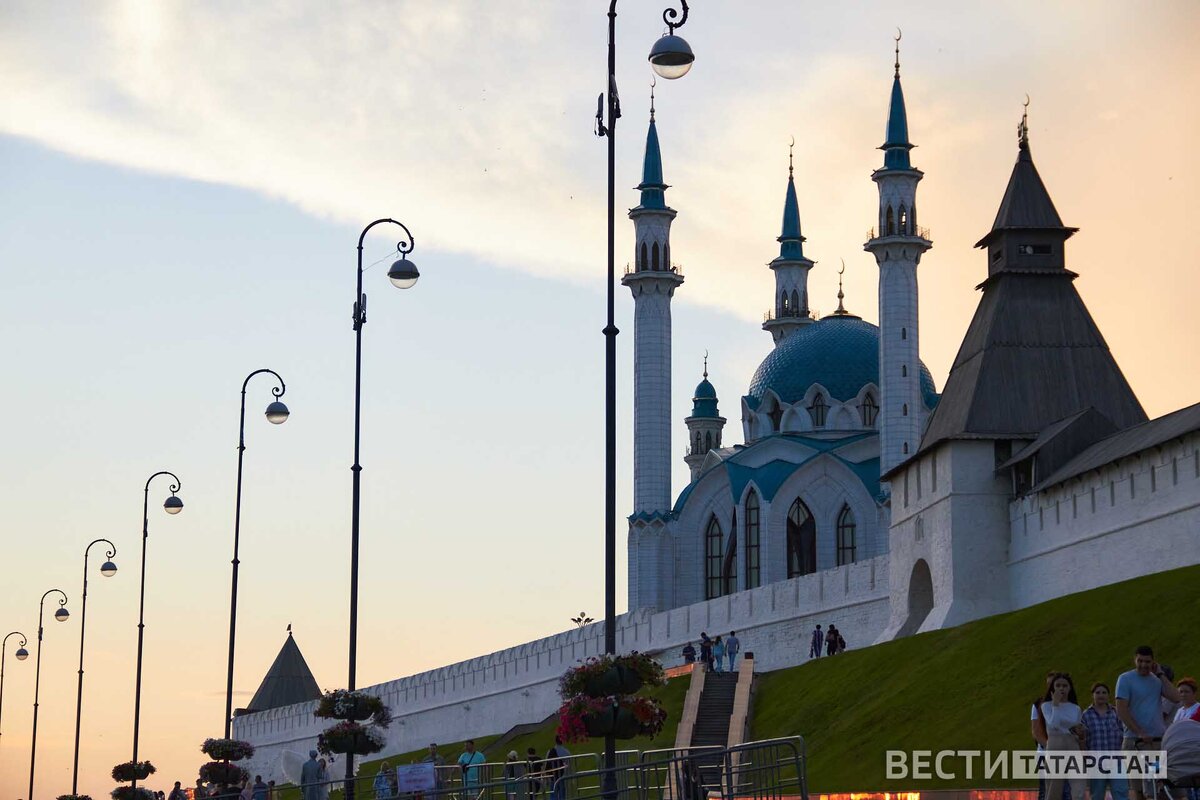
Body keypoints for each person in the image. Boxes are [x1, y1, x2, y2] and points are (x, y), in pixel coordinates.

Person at [1116, 645, 1181, 800]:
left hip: (1157, 741)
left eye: (1147, 661)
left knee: (1160, 785)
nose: (1144, 665)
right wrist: (1139, 731)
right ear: (1135, 660)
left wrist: (1161, 674)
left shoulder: (1157, 680)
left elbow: (1176, 697)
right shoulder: (1125, 679)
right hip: (1135, 741)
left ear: (1153, 662)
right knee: (1138, 788)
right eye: (1140, 661)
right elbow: (1121, 709)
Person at [1040, 672, 1085, 800]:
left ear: (1069, 688)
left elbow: (1076, 728)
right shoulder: (1046, 706)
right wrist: (1055, 704)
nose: (1061, 688)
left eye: (1065, 686)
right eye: (1058, 685)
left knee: (1079, 784)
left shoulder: (1075, 708)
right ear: (1052, 688)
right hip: (1055, 744)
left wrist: (1080, 734)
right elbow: (1053, 724)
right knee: (1054, 786)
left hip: (1072, 743)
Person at [1083, 681, 1128, 800]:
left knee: (1121, 793)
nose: (1101, 695)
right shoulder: (1086, 715)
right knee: (1097, 795)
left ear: (1108, 695)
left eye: (1104, 692)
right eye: (1097, 692)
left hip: (1117, 761)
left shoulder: (1116, 712)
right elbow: (1083, 738)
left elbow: (1124, 733)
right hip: (1096, 762)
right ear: (1093, 695)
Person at [545, 735, 571, 800]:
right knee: (562, 794)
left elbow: (547, 764)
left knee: (553, 794)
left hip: (552, 776)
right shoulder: (566, 752)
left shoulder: (550, 751)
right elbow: (569, 765)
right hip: (563, 776)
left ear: (555, 741)